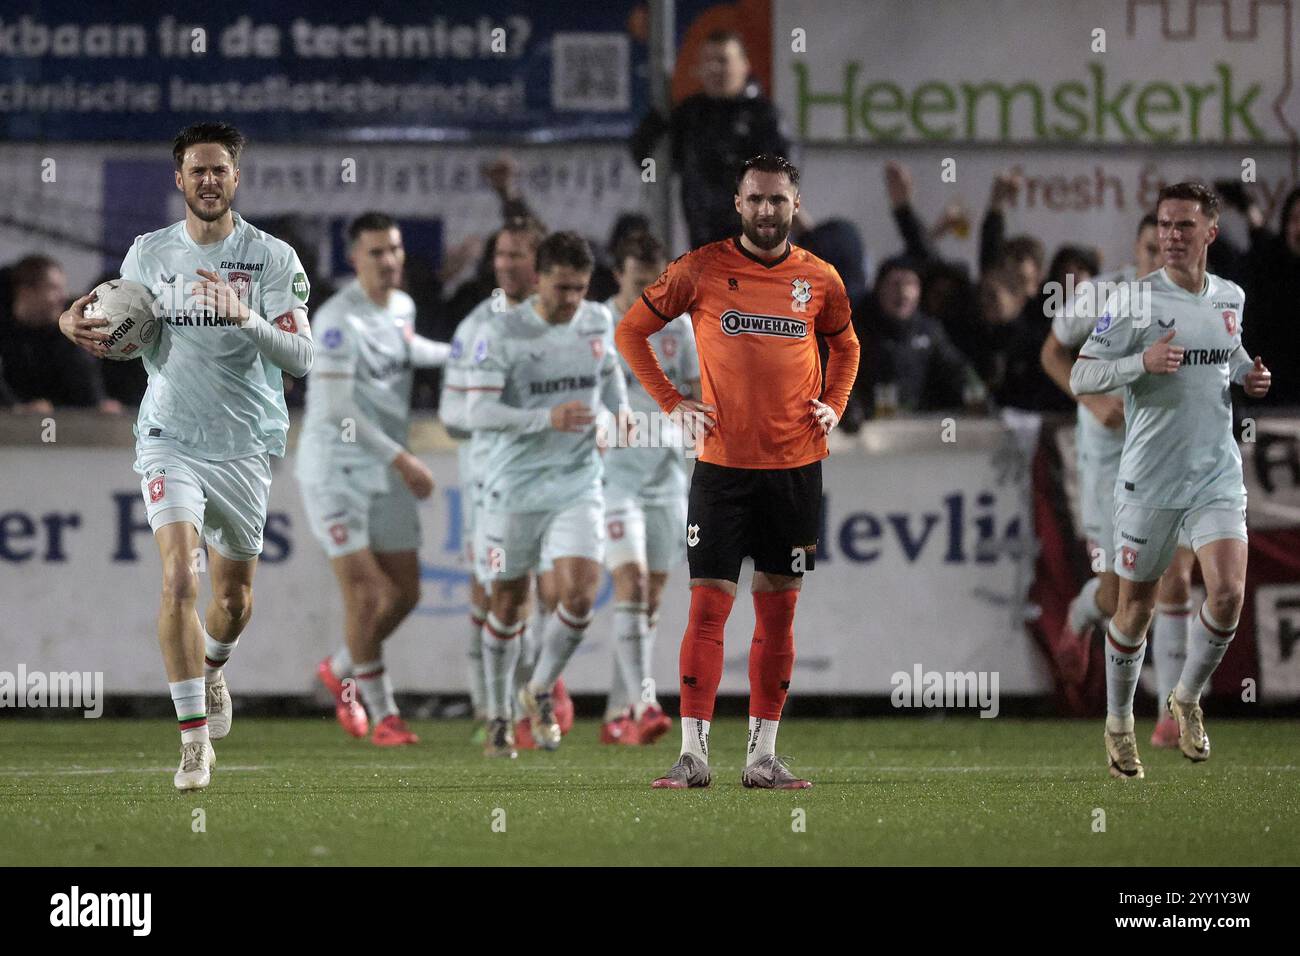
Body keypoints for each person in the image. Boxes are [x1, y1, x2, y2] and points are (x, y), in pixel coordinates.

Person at [58, 121, 315, 791]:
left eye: (218, 170)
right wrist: (68, 321)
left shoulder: (273, 259)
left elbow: (303, 356)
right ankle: (194, 743)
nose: (208, 179)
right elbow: (104, 313)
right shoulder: (148, 254)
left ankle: (216, 663)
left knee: (232, 601)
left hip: (246, 445)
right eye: (196, 170)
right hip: (169, 437)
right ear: (179, 179)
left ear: (236, 178)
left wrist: (244, 316)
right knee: (178, 579)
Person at [616, 153, 860, 789]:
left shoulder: (821, 279)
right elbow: (631, 332)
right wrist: (673, 403)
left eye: (778, 199)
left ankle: (762, 757)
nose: (766, 210)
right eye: (755, 199)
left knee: (779, 615)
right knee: (707, 611)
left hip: (795, 470)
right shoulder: (700, 269)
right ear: (738, 204)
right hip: (721, 470)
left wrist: (833, 405)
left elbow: (848, 344)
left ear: (795, 205)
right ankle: (694, 755)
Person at [1070, 182, 1272, 779]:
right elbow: (1083, 374)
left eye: (1185, 225)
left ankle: (1185, 698)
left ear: (1211, 232)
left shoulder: (1230, 296)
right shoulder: (1133, 302)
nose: (1171, 236)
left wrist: (1249, 376)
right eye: (1164, 224)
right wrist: (1140, 364)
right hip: (1150, 478)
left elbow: (1228, 356)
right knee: (1135, 606)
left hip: (1215, 471)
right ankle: (1118, 724)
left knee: (1229, 593)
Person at [465, 231, 629, 757]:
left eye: (581, 289)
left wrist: (618, 415)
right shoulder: (500, 332)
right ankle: (495, 714)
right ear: (538, 280)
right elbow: (479, 413)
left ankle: (538, 689)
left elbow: (609, 376)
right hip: (514, 487)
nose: (572, 300)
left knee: (581, 594)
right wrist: (546, 418)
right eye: (562, 289)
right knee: (508, 602)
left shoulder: (598, 322)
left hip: (578, 482)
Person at [1040, 214, 1195, 746]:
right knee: (1123, 593)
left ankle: (1173, 709)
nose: (1162, 258)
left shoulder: (1201, 301)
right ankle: (1084, 610)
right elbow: (1051, 352)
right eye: (1152, 248)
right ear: (1135, 251)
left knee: (1174, 572)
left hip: (1166, 453)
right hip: (1108, 458)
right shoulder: (1101, 296)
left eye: (1170, 248)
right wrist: (1093, 400)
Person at [297, 213, 452, 746]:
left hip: (384, 470)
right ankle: (383, 714)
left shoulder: (403, 307)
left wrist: (473, 353)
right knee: (366, 597)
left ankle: (340, 667)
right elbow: (340, 410)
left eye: (394, 250)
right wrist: (402, 459)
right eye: (376, 253)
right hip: (336, 470)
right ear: (354, 259)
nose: (388, 261)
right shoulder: (338, 322)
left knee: (405, 593)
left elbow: (411, 349)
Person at [438, 215, 545, 749]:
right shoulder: (478, 325)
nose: (504, 264)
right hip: (492, 480)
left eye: (517, 255)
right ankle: (493, 708)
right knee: (494, 596)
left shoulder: (567, 322)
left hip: (557, 478)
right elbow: (453, 412)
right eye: (500, 254)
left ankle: (538, 692)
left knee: (552, 592)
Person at [599, 232, 698, 746]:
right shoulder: (597, 326)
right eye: (638, 281)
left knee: (650, 601)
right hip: (612, 480)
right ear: (618, 274)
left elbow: (698, 396)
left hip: (665, 481)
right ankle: (643, 700)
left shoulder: (679, 329)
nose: (647, 291)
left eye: (656, 281)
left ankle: (619, 711)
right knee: (632, 584)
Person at [630, 30, 795, 249]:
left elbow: (786, 180)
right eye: (707, 61)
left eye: (723, 61)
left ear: (744, 65)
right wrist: (655, 122)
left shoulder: (765, 118)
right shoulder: (690, 114)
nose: (714, 69)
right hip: (702, 246)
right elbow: (647, 160)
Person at [850, 255, 983, 421]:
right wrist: (849, 405)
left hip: (914, 419)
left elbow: (956, 368)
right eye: (895, 284)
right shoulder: (856, 328)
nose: (903, 293)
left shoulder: (929, 330)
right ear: (879, 288)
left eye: (910, 284)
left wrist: (977, 394)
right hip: (867, 422)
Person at [0, 255, 121, 414]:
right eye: (53, 288)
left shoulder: (68, 337)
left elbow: (88, 393)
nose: (63, 296)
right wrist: (16, 408)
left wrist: (101, 405)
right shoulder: (5, 331)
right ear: (26, 292)